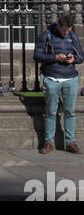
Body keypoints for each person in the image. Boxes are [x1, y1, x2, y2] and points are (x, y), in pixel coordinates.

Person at [35, 10, 83, 154]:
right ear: (59, 26)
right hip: (52, 78)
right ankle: (48, 142)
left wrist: (74, 59)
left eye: (68, 30)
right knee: (50, 112)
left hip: (70, 78)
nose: (66, 33)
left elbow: (80, 56)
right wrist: (55, 58)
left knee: (70, 112)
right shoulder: (47, 35)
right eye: (64, 30)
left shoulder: (73, 37)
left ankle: (70, 142)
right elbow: (37, 55)